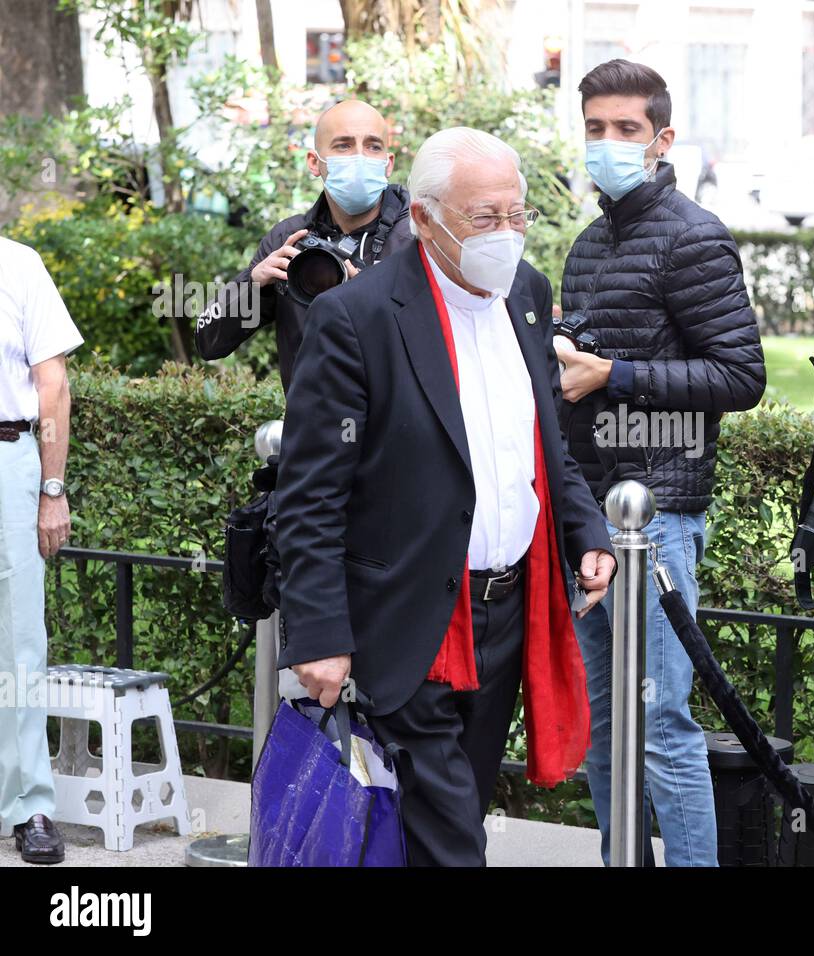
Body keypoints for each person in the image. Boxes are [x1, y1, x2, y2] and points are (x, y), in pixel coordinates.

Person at [275, 127, 615, 866]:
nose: (506, 235)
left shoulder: (526, 295)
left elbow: (543, 440)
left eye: (517, 216)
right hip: (413, 619)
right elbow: (309, 495)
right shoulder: (356, 317)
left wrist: (586, 530)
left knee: (448, 820)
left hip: (508, 613)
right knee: (452, 842)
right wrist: (320, 634)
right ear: (424, 220)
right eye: (483, 218)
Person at [558, 59, 766, 867]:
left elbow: (741, 378)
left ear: (662, 138)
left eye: (626, 130)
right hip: (596, 523)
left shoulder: (694, 235)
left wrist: (616, 375)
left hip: (661, 517)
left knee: (661, 728)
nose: (607, 144)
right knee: (603, 725)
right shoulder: (588, 242)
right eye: (595, 129)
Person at [195, 99, 413, 390]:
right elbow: (209, 341)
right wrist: (253, 285)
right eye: (343, 146)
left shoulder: (418, 239)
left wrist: (368, 298)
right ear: (314, 162)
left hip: (398, 429)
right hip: (315, 427)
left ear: (388, 163)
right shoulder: (290, 240)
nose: (360, 157)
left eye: (373, 146)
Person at [0, 236, 83, 864]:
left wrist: (52, 490)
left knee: (19, 640)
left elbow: (51, 382)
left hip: (9, 457)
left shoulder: (18, 263)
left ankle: (30, 806)